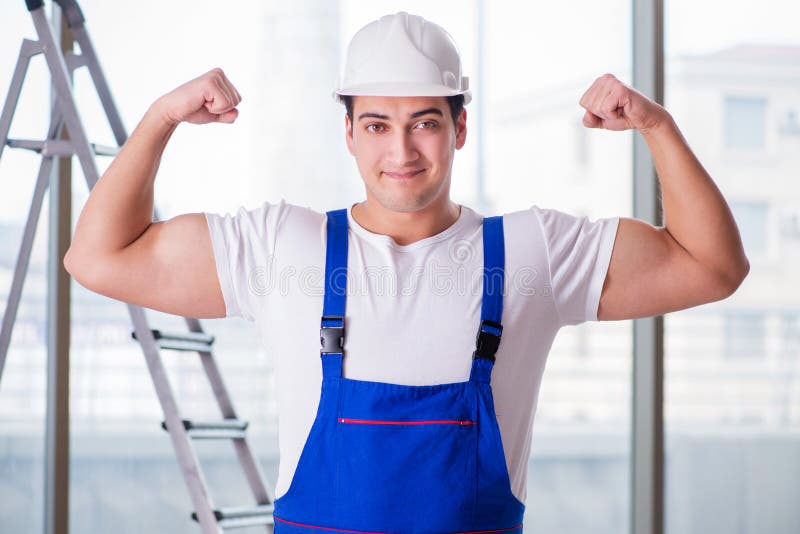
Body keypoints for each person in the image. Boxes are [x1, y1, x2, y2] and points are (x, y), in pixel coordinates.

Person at [64, 11, 749, 533]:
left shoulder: (533, 255)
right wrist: (160, 118)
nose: (401, 150)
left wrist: (657, 126)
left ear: (459, 128)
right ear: (349, 132)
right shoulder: (284, 249)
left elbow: (712, 266)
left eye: (424, 123)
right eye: (377, 125)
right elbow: (97, 257)